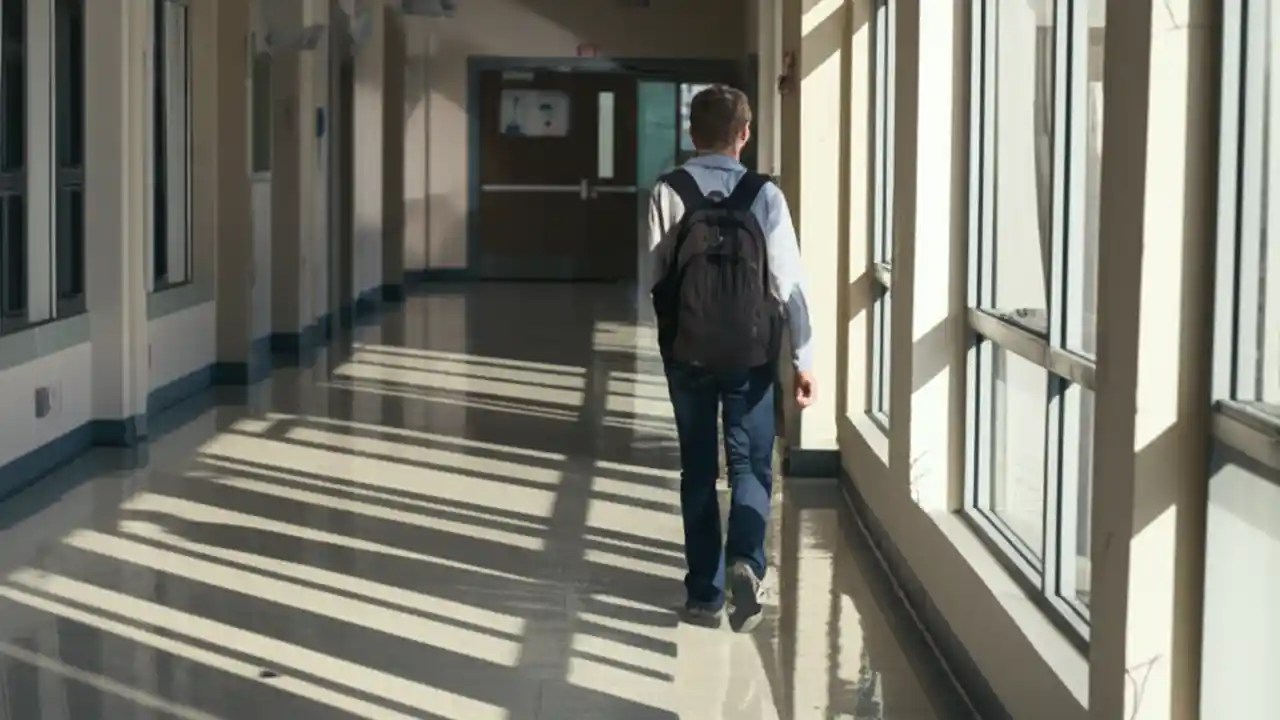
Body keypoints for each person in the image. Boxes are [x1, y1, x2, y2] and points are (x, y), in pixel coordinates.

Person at [648, 84, 816, 632]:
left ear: (691, 133)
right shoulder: (765, 195)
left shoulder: (668, 191)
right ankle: (746, 559)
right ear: (745, 134)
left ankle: (705, 594)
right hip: (751, 354)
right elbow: (789, 286)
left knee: (697, 468)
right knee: (750, 464)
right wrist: (803, 358)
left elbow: (653, 277)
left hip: (687, 352)